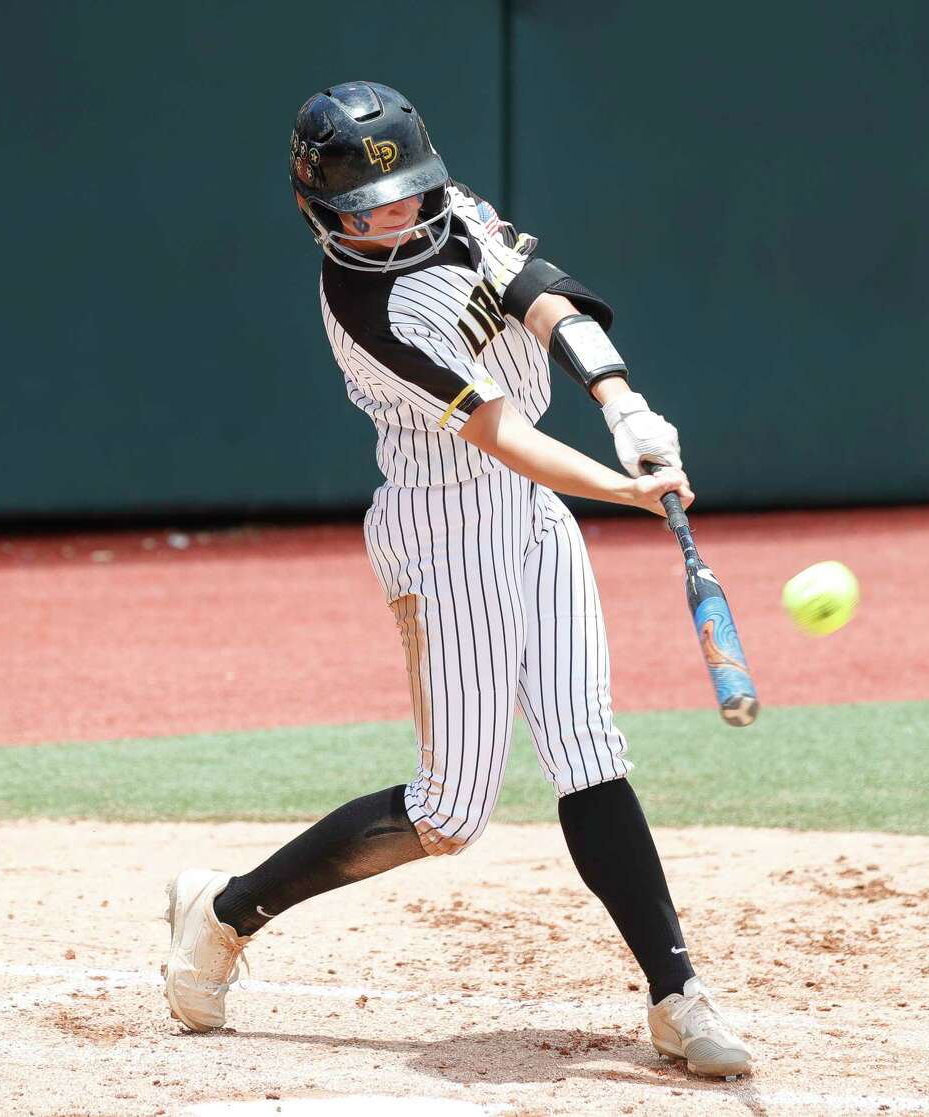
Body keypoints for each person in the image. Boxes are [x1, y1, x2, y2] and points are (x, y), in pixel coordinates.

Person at [164, 80, 753, 1080]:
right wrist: (627, 487)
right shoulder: (364, 306)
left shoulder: (455, 207)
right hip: (445, 529)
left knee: (587, 745)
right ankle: (222, 914)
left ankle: (675, 992)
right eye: (369, 207)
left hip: (530, 514)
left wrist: (623, 401)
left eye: (408, 195)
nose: (397, 217)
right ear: (322, 213)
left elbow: (543, 295)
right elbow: (501, 434)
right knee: (448, 813)